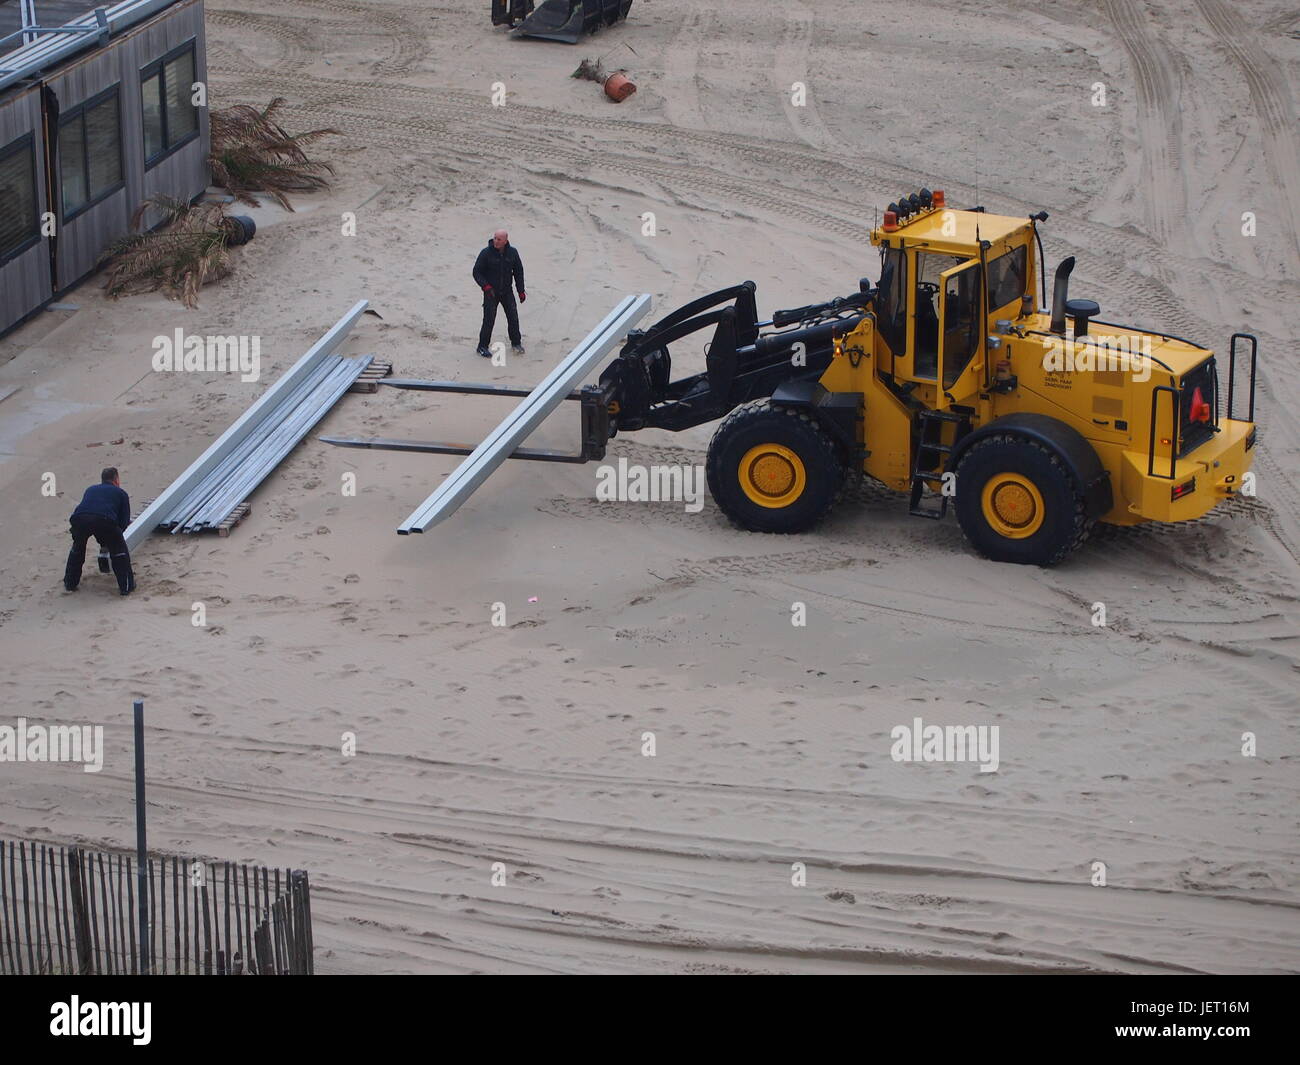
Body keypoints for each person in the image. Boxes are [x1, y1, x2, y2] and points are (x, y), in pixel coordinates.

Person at [64, 467, 135, 595]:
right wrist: (113, 540)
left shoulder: (90, 489)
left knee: (77, 549)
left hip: (79, 519)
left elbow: (88, 511)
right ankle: (126, 587)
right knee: (119, 551)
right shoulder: (121, 493)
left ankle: (70, 583)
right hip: (103, 519)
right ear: (116, 480)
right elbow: (122, 524)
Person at [472, 229, 526, 357]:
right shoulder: (486, 253)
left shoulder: (512, 253)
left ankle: (516, 343)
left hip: (507, 291)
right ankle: (482, 347)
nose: (496, 241)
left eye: (499, 239)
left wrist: (521, 291)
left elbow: (518, 272)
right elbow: (476, 272)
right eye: (495, 238)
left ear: (505, 241)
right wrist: (485, 286)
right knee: (489, 320)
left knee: (513, 317)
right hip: (491, 292)